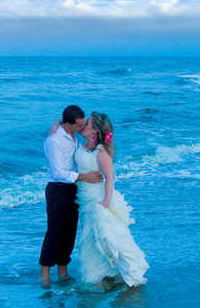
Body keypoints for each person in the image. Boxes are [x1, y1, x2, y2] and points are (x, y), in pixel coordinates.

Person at [73, 112, 148, 287]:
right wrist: (57, 123)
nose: (83, 125)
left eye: (88, 123)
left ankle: (114, 273)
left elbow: (110, 177)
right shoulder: (85, 144)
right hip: (84, 200)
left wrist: (106, 202)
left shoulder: (101, 151)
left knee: (105, 236)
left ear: (95, 131)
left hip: (97, 199)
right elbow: (69, 125)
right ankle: (102, 272)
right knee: (92, 237)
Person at [40, 105, 102, 286]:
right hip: (57, 189)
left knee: (69, 232)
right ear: (68, 124)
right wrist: (85, 177)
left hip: (73, 189)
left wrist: (58, 121)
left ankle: (63, 272)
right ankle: (44, 276)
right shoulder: (55, 141)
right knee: (55, 232)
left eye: (84, 124)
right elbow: (58, 172)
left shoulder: (73, 134)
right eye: (79, 125)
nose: (83, 128)